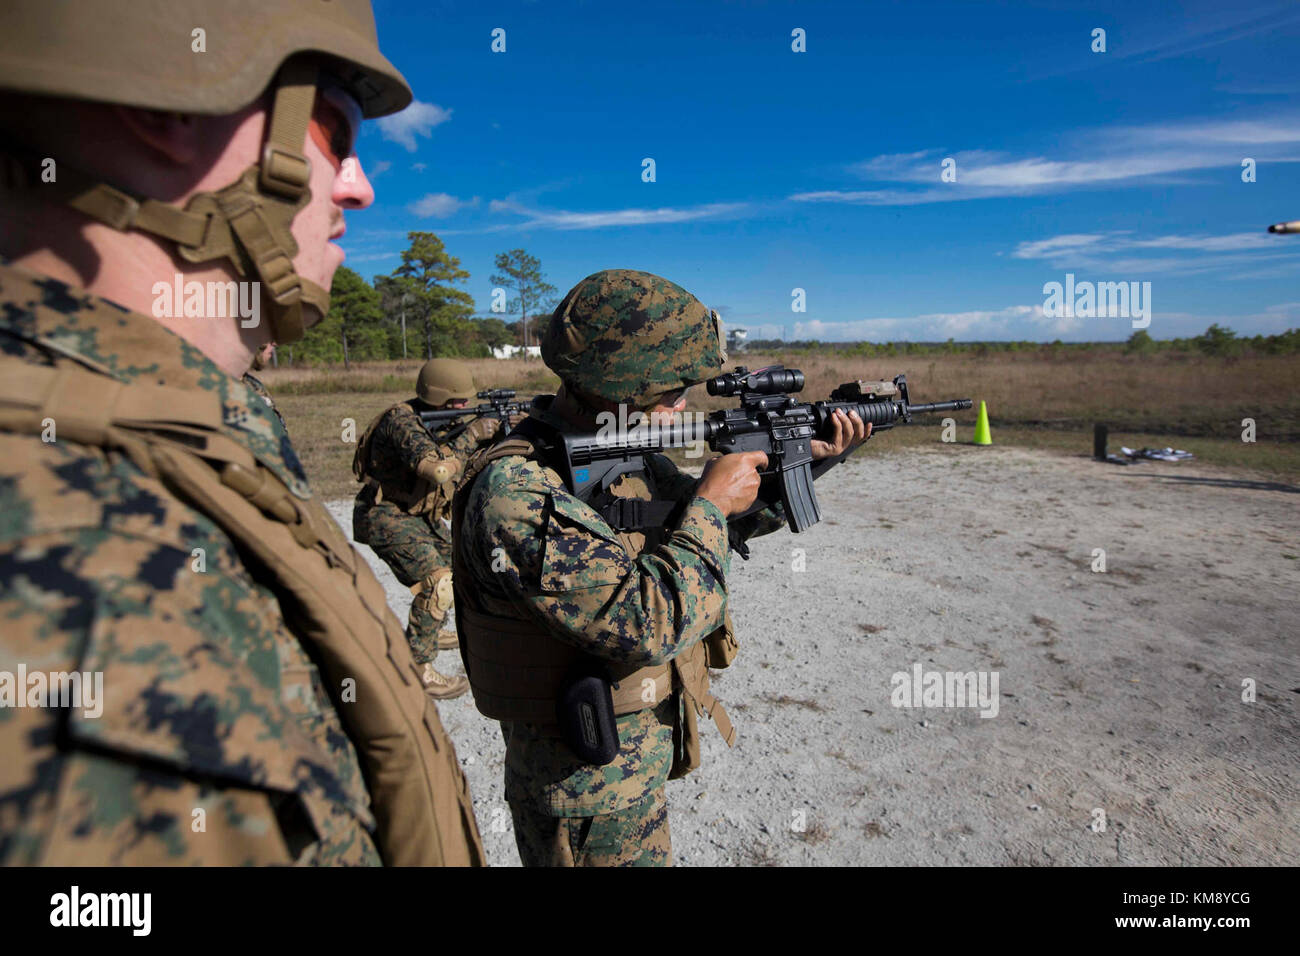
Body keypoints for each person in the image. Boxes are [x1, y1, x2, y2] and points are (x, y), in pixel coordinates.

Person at [0, 0, 483, 865]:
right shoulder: (58, 543)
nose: (359, 186)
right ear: (166, 107)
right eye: (334, 124)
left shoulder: (211, 421)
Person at [452, 269, 869, 866]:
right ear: (621, 382)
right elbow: (648, 623)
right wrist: (709, 501)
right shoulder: (517, 494)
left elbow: (720, 528)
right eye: (672, 391)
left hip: (627, 764)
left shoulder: (624, 455)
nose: (680, 407)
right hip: (582, 791)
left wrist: (804, 462)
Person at [352, 358, 514, 699]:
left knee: (460, 569)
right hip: (385, 514)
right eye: (457, 401)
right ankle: (417, 669)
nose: (463, 407)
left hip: (416, 514)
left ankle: (431, 628)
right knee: (438, 583)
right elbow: (439, 471)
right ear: (437, 396)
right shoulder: (402, 421)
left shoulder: (445, 418)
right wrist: (473, 434)